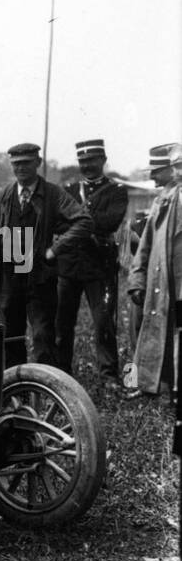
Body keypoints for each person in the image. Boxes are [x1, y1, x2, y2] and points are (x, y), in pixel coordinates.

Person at [0, 143, 92, 369]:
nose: (21, 169)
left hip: (40, 277)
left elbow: (83, 221)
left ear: (38, 163)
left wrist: (55, 249)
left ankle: (46, 391)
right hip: (8, 277)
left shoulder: (54, 194)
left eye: (26, 163)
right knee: (10, 335)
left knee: (43, 336)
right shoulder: (5, 195)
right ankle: (17, 392)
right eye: (16, 164)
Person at [56, 139, 128, 380]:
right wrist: (88, 223)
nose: (87, 166)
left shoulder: (116, 191)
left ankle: (108, 377)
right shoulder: (68, 190)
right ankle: (61, 374)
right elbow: (58, 222)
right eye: (82, 161)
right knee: (62, 324)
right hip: (69, 266)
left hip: (100, 267)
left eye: (92, 161)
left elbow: (111, 222)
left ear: (103, 160)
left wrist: (76, 222)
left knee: (104, 323)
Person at [127, 143, 182, 397]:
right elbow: (146, 245)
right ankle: (153, 386)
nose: (151, 176)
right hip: (161, 283)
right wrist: (137, 278)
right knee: (155, 331)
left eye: (157, 171)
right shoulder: (162, 200)